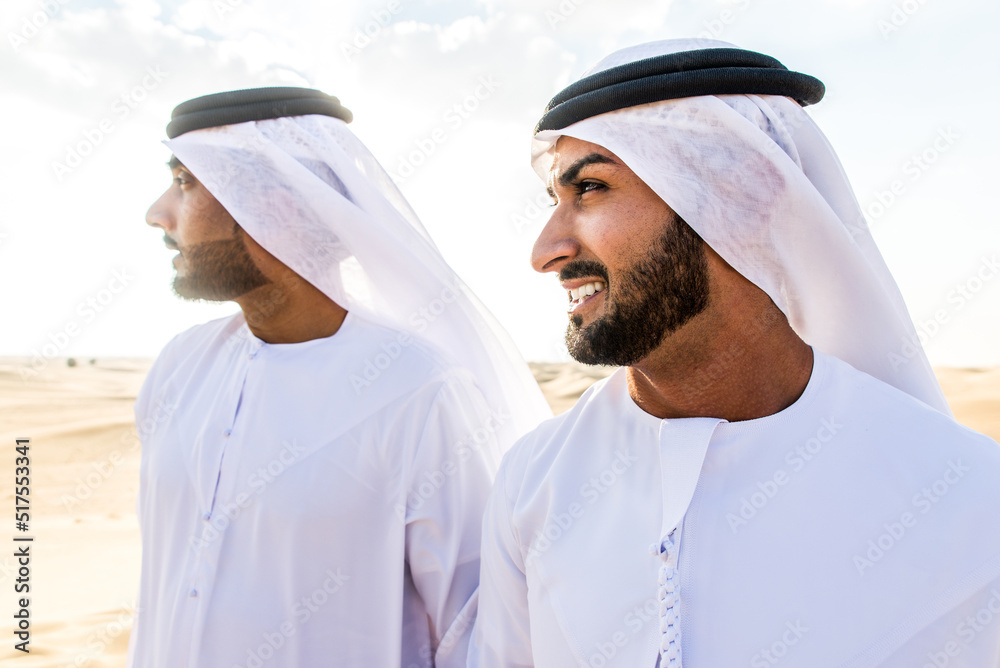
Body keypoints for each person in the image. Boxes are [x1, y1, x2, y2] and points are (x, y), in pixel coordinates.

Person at [471, 40, 1000, 667]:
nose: (545, 251)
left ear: (741, 194)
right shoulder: (535, 480)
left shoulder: (966, 497)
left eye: (590, 187)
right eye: (554, 201)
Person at [128, 87, 549, 668]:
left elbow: (479, 633)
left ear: (274, 207)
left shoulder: (420, 393)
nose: (158, 214)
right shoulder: (179, 368)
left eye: (184, 182)